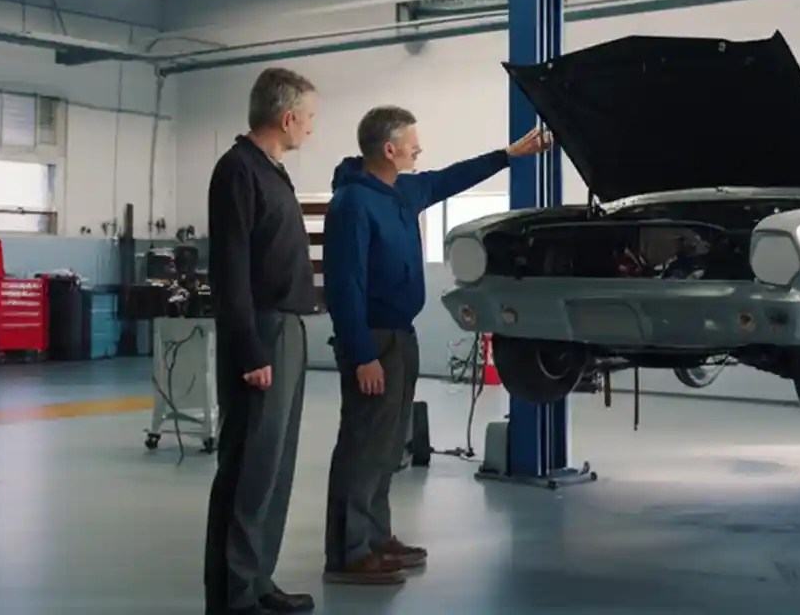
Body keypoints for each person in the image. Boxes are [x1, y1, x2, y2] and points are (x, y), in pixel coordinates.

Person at [321, 105, 551, 585]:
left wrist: (510, 155)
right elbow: (345, 287)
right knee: (364, 445)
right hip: (373, 339)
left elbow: (451, 179)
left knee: (387, 446)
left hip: (400, 335)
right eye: (412, 143)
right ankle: (348, 553)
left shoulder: (402, 190)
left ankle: (376, 537)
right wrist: (362, 353)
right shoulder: (352, 203)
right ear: (389, 149)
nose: (419, 149)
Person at [204, 67, 320, 615]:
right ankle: (232, 595)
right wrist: (249, 349)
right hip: (262, 333)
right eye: (311, 117)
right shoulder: (237, 171)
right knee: (249, 467)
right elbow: (230, 270)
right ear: (287, 115)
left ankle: (257, 578)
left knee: (275, 465)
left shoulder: (272, 171)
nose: (312, 129)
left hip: (288, 327)